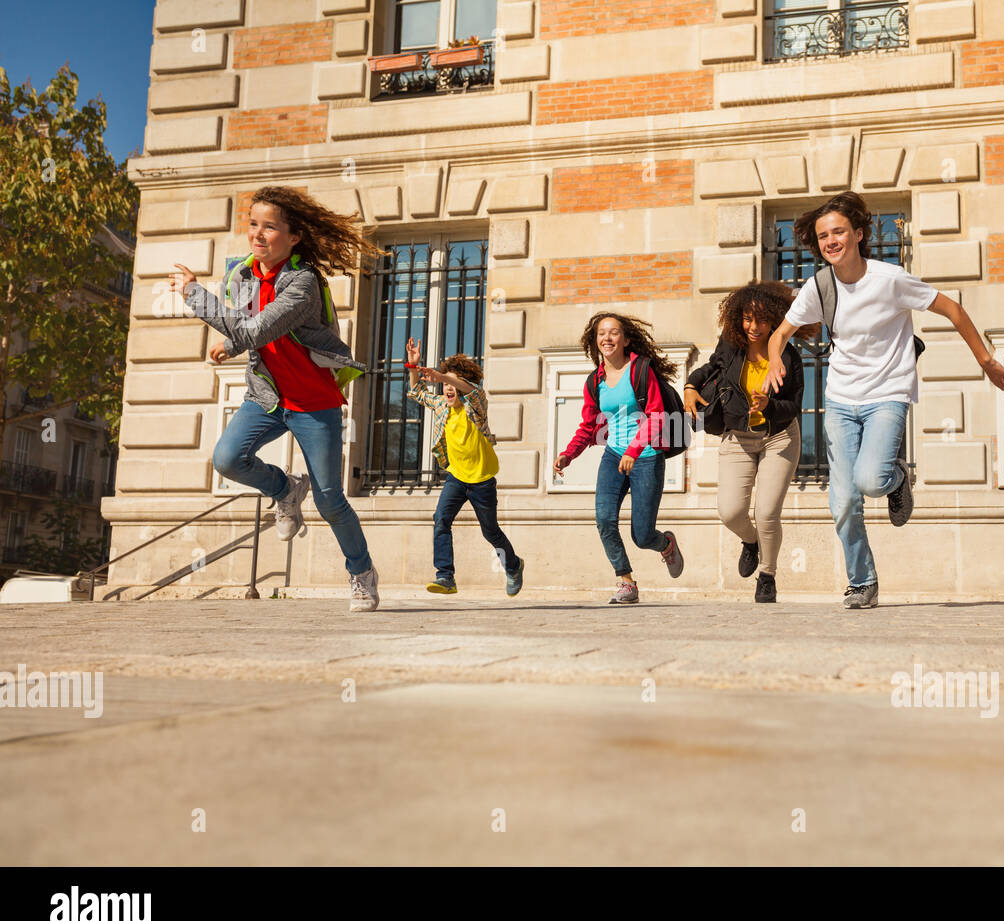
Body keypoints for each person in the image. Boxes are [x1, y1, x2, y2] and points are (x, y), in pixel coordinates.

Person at [761, 191, 1004, 608]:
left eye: (839, 231)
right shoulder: (819, 286)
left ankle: (896, 478)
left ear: (859, 234)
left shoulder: (889, 279)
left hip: (887, 394)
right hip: (841, 400)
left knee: (870, 481)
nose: (830, 241)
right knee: (843, 501)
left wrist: (985, 360)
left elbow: (952, 308)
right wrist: (774, 361)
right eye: (823, 235)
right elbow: (780, 334)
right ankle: (862, 582)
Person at [169, 186, 381, 611]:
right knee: (228, 459)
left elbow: (254, 330)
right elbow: (249, 328)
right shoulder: (245, 277)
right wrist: (231, 348)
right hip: (266, 395)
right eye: (253, 225)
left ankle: (361, 573)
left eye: (270, 227)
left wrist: (194, 294)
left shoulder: (302, 283)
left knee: (329, 500)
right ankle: (285, 489)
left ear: (294, 236)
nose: (258, 234)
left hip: (312, 402)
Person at [684, 281, 812, 602]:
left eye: (762, 319)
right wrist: (689, 385)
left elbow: (794, 406)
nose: (753, 327)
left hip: (779, 437)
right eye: (747, 318)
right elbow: (711, 367)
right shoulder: (731, 345)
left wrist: (769, 406)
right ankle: (751, 541)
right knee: (730, 512)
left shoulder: (790, 357)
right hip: (737, 438)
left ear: (775, 319)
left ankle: (767, 574)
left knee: (767, 511)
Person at [553, 312, 684, 605]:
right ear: (595, 340)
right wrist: (568, 455)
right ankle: (626, 583)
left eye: (614, 333)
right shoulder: (595, 380)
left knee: (642, 534)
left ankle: (666, 543)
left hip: (646, 456)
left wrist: (634, 450)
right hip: (614, 456)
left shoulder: (641, 370)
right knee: (604, 519)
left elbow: (656, 417)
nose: (607, 338)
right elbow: (589, 425)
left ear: (625, 340)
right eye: (602, 333)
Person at [404, 338, 524, 597]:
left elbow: (472, 390)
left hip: (482, 480)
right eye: (445, 384)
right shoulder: (440, 407)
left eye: (452, 384)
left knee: (490, 531)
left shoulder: (475, 405)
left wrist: (441, 375)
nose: (448, 389)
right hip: (456, 478)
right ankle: (445, 576)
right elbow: (417, 392)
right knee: (441, 520)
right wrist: (413, 367)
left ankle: (513, 565)